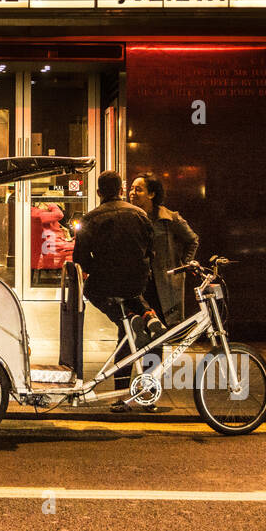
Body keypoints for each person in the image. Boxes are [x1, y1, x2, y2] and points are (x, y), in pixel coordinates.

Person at [72, 170, 162, 412]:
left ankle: (132, 318)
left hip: (106, 285)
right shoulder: (141, 215)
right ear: (121, 190)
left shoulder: (90, 219)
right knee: (139, 338)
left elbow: (80, 260)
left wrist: (96, 266)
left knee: (121, 329)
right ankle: (145, 315)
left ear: (99, 192)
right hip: (136, 285)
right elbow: (149, 251)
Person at [128, 173, 199, 328]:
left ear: (152, 194)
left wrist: (183, 264)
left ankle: (154, 353)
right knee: (136, 328)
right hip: (138, 282)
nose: (132, 193)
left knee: (159, 327)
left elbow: (192, 240)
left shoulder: (170, 218)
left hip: (162, 283)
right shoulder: (130, 217)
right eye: (131, 188)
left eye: (138, 189)